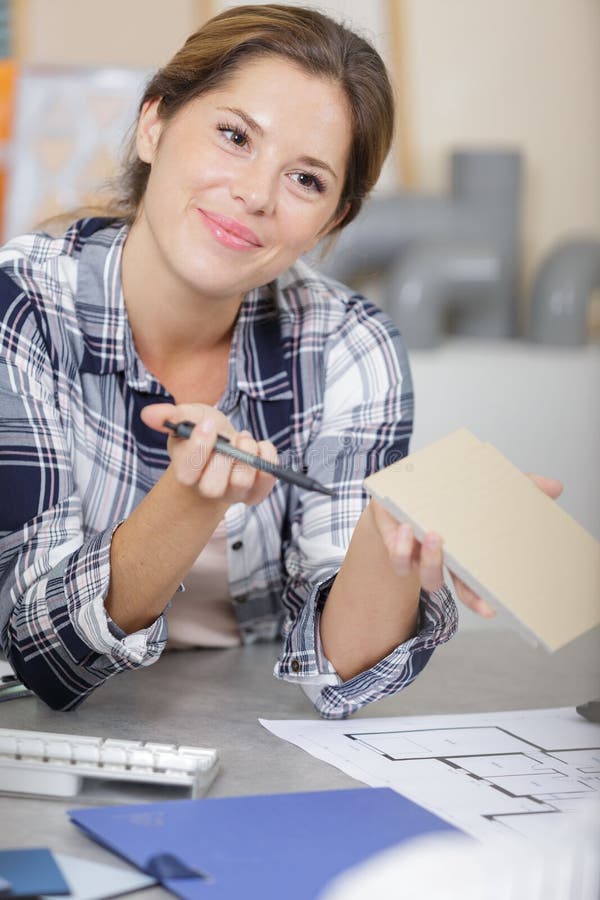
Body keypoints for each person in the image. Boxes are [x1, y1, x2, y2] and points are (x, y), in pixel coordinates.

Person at [0, 4, 560, 717]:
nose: (256, 195)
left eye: (307, 180)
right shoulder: (20, 306)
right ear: (154, 124)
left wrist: (390, 540)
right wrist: (188, 504)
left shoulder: (351, 343)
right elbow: (39, 652)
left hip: (248, 734)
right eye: (235, 136)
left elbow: (339, 678)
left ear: (334, 220)